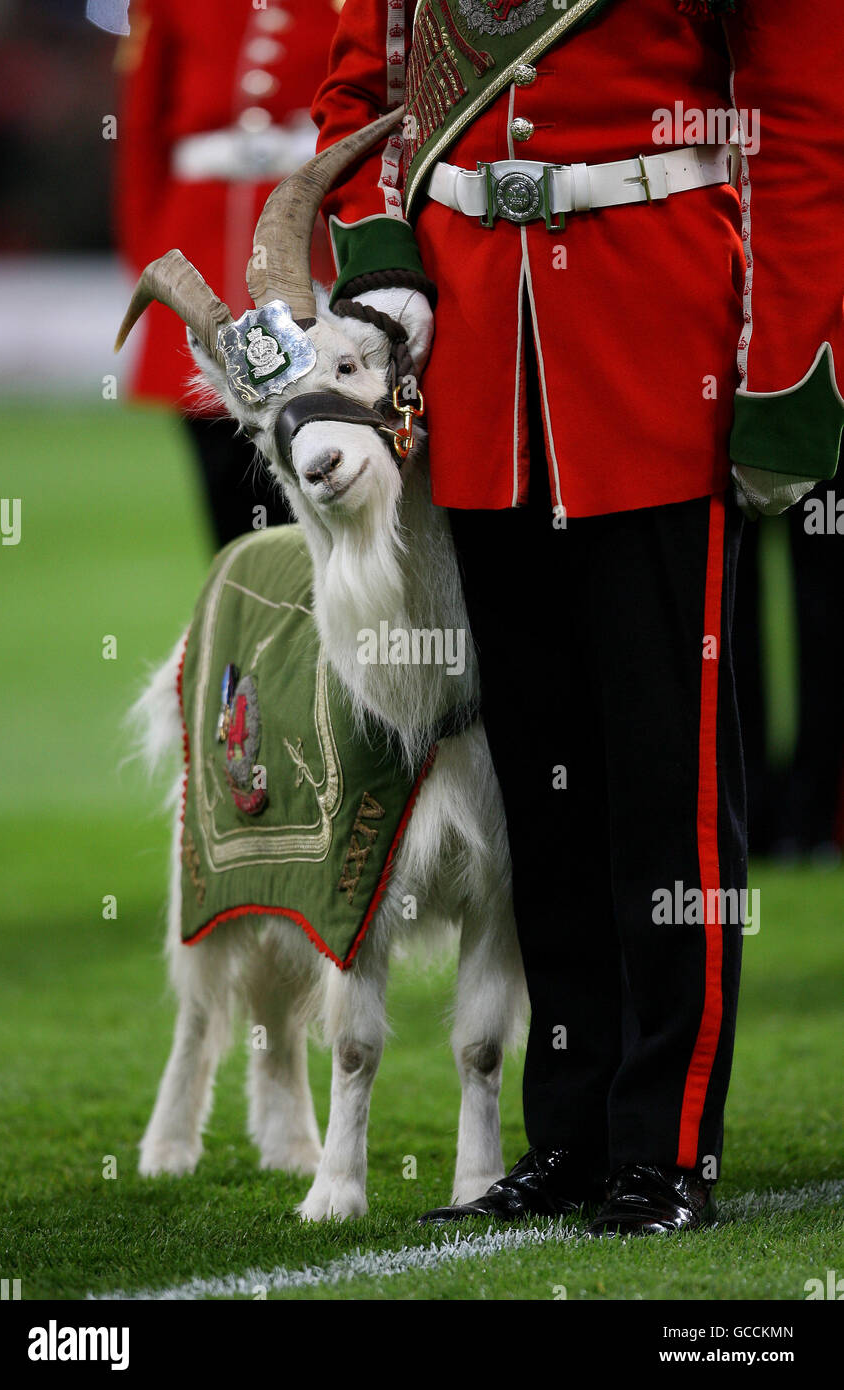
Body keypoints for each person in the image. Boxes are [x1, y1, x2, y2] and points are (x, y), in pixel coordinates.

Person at [311, 0, 844, 1235]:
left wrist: (787, 365)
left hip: (656, 349)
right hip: (481, 355)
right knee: (539, 789)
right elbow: (363, 98)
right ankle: (569, 1130)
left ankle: (661, 1146)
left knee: (665, 781)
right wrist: (381, 261)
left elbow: (804, 118)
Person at [115, 0, 340, 545]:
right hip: (202, 246)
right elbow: (143, 129)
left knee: (319, 473)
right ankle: (243, 619)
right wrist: (150, 254)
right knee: (222, 481)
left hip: (310, 243)